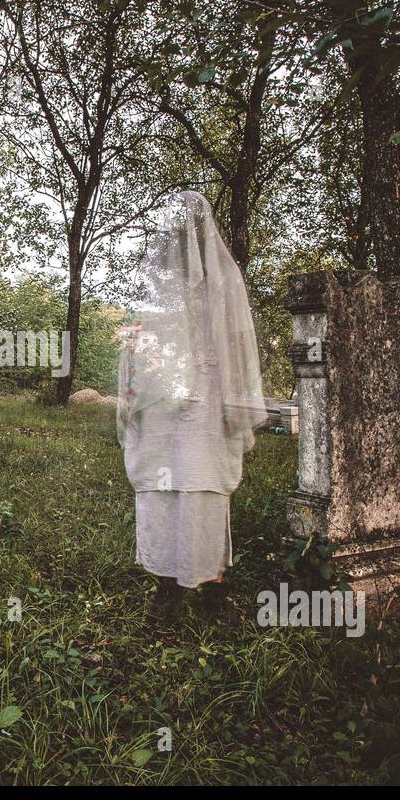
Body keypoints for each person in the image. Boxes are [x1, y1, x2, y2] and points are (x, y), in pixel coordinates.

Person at [117, 192, 266, 624]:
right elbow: (136, 343)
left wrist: (236, 401)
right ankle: (166, 585)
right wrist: (131, 393)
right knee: (163, 492)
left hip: (209, 404)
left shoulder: (225, 280)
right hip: (161, 404)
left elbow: (240, 347)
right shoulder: (154, 284)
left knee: (204, 491)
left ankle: (212, 589)